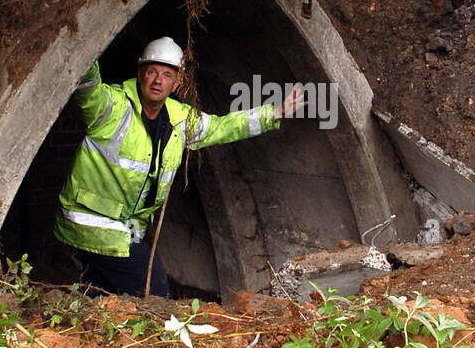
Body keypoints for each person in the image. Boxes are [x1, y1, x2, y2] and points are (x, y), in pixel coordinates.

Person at [53, 37, 303, 298]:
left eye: (167, 74)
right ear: (140, 74)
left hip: (124, 227)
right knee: (154, 291)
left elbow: (222, 127)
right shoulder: (111, 107)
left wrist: (274, 112)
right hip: (91, 222)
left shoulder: (179, 118)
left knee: (101, 295)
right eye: (152, 72)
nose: (158, 80)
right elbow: (86, 84)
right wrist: (81, 36)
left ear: (177, 83)